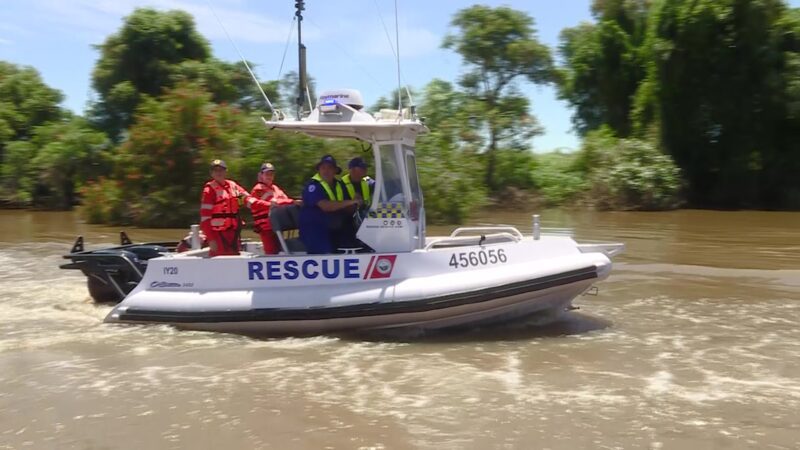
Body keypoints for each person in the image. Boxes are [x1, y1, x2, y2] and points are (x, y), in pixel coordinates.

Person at [298, 155, 362, 254]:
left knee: (355, 237)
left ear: (335, 171)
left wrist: (357, 203)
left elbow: (348, 207)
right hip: (314, 229)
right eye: (323, 168)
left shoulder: (339, 185)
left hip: (333, 226)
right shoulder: (313, 186)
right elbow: (326, 206)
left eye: (329, 168)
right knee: (327, 251)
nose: (326, 171)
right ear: (319, 170)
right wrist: (351, 202)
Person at [199, 159, 261, 257]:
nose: (219, 172)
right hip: (217, 234)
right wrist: (211, 239)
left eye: (221, 170)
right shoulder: (209, 191)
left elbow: (247, 200)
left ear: (226, 171)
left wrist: (267, 205)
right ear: (211, 173)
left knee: (235, 257)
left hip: (233, 233)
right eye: (216, 170)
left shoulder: (233, 186)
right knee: (218, 260)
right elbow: (205, 218)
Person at [250, 162, 299, 255]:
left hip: (278, 225)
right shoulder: (258, 189)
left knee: (280, 249)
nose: (269, 176)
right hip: (266, 227)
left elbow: (285, 199)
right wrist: (293, 201)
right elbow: (275, 203)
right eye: (267, 174)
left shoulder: (275, 188)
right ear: (261, 175)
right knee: (271, 251)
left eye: (271, 174)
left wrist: (293, 202)